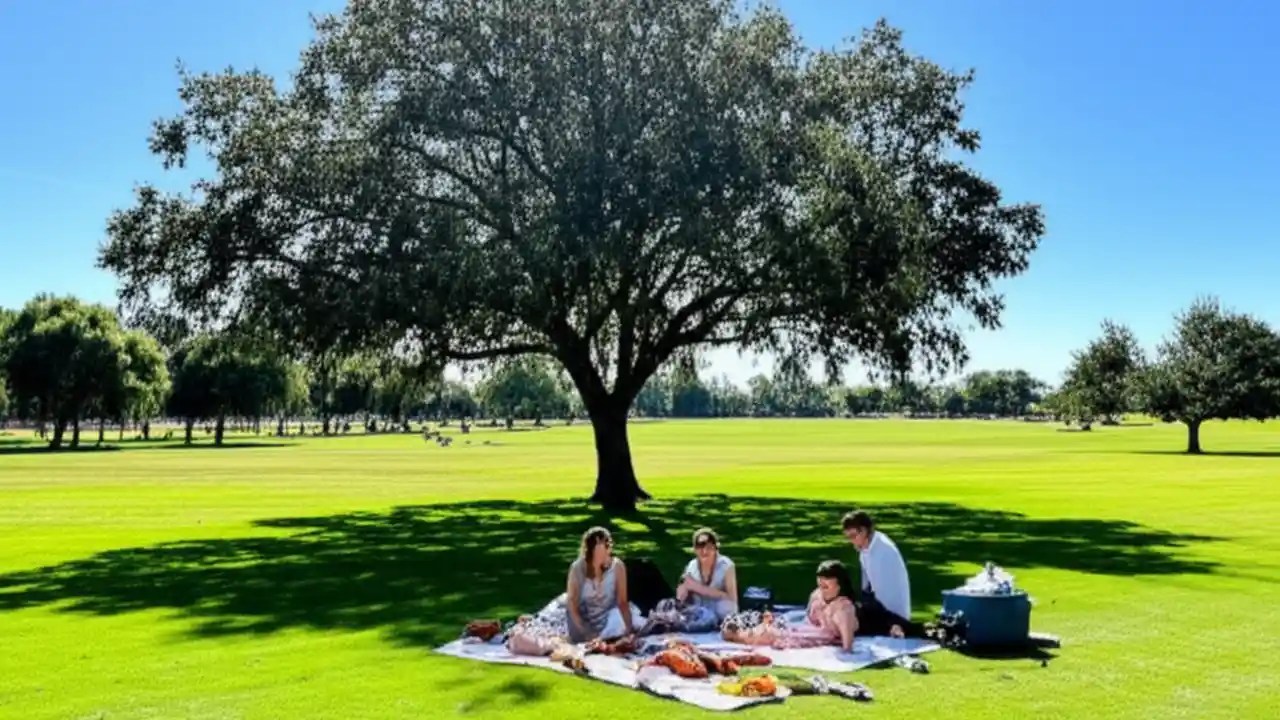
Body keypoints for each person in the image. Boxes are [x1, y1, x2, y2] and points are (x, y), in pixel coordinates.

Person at [721, 560, 858, 652]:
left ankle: (738, 634)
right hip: (805, 628)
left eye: (827, 578)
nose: (821, 582)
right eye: (820, 578)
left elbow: (847, 646)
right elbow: (808, 619)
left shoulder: (843, 609)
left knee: (771, 634)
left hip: (817, 635)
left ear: (839, 582)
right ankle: (739, 630)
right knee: (771, 622)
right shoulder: (817, 595)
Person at [565, 526, 644, 642]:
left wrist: (629, 628)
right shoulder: (578, 568)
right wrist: (585, 631)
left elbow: (622, 602)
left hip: (608, 617)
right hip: (584, 621)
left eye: (605, 547)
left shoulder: (617, 566)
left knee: (631, 625)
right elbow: (572, 603)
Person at [842, 510, 912, 638]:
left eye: (853, 536)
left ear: (863, 531)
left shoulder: (882, 551)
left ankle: (896, 627)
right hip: (881, 610)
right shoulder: (867, 549)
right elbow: (867, 589)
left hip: (892, 615)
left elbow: (881, 595)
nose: (851, 541)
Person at [677, 527, 739, 622]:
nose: (704, 552)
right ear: (695, 550)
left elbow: (732, 599)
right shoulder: (692, 566)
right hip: (699, 609)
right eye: (700, 548)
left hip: (718, 609)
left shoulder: (727, 566)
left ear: (715, 549)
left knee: (727, 607)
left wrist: (699, 588)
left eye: (709, 547)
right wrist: (683, 591)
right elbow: (684, 587)